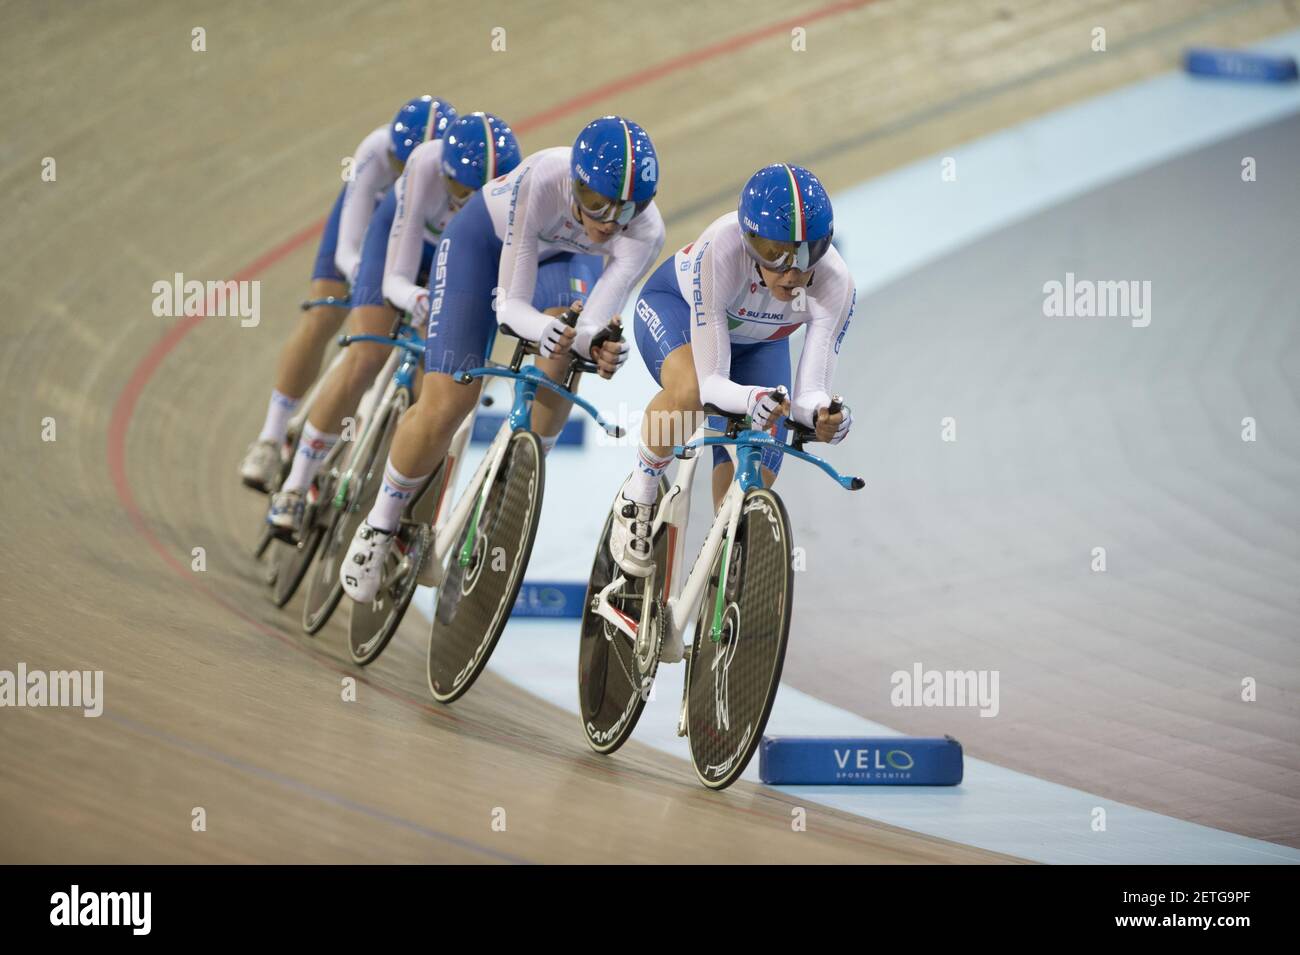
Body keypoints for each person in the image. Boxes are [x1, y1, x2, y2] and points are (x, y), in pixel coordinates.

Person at [339, 116, 666, 603]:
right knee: (449, 402)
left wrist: (593, 344)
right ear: (575, 182)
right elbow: (510, 308)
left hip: (560, 260)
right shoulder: (543, 182)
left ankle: (519, 476)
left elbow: (593, 319)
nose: (610, 221)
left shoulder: (645, 230)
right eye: (597, 203)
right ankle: (380, 524)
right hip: (483, 243)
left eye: (626, 210)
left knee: (561, 365)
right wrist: (548, 330)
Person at [265, 112, 522, 535]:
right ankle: (294, 487)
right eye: (459, 189)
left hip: (459, 260)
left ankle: (399, 506)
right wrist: (410, 296)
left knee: (436, 395)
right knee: (367, 353)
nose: (466, 203)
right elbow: (395, 273)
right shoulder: (424, 164)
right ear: (444, 171)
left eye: (480, 193)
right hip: (401, 246)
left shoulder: (516, 191)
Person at [609, 163, 855, 586]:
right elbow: (712, 384)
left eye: (805, 253)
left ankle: (716, 577)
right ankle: (641, 493)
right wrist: (751, 401)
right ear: (749, 241)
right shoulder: (722, 248)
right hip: (680, 313)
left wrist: (824, 415)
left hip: (760, 345)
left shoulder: (836, 282)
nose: (792, 271)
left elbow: (811, 391)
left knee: (755, 472)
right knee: (688, 393)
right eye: (775, 254)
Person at [239, 95, 456, 491]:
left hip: (423, 238)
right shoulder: (375, 149)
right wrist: (368, 284)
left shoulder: (456, 180)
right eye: (397, 165)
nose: (404, 177)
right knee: (325, 310)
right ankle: (270, 439)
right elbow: (347, 249)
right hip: (370, 229)